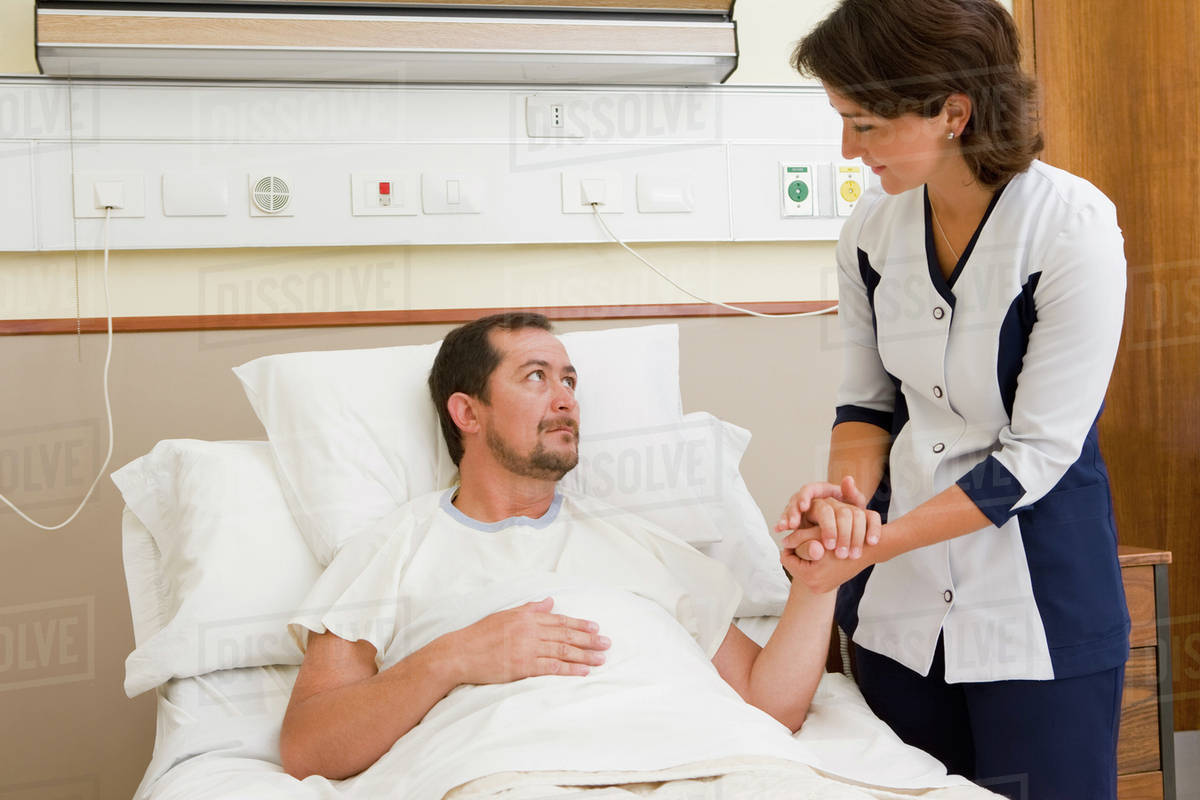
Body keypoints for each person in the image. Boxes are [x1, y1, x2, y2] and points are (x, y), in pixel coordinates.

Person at [775, 1, 1129, 798]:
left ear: (952, 112)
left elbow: (1038, 454)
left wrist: (878, 541)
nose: (846, 148)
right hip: (899, 615)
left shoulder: (1069, 227)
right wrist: (845, 507)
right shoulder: (871, 229)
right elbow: (866, 406)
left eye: (864, 125)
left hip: (1037, 608)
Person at [276, 312, 838, 790]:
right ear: (468, 413)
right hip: (518, 774)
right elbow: (310, 745)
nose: (566, 398)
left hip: (720, 763)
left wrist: (818, 584)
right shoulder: (394, 548)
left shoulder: (639, 541)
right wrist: (453, 658)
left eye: (569, 380)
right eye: (536, 377)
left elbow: (771, 706)